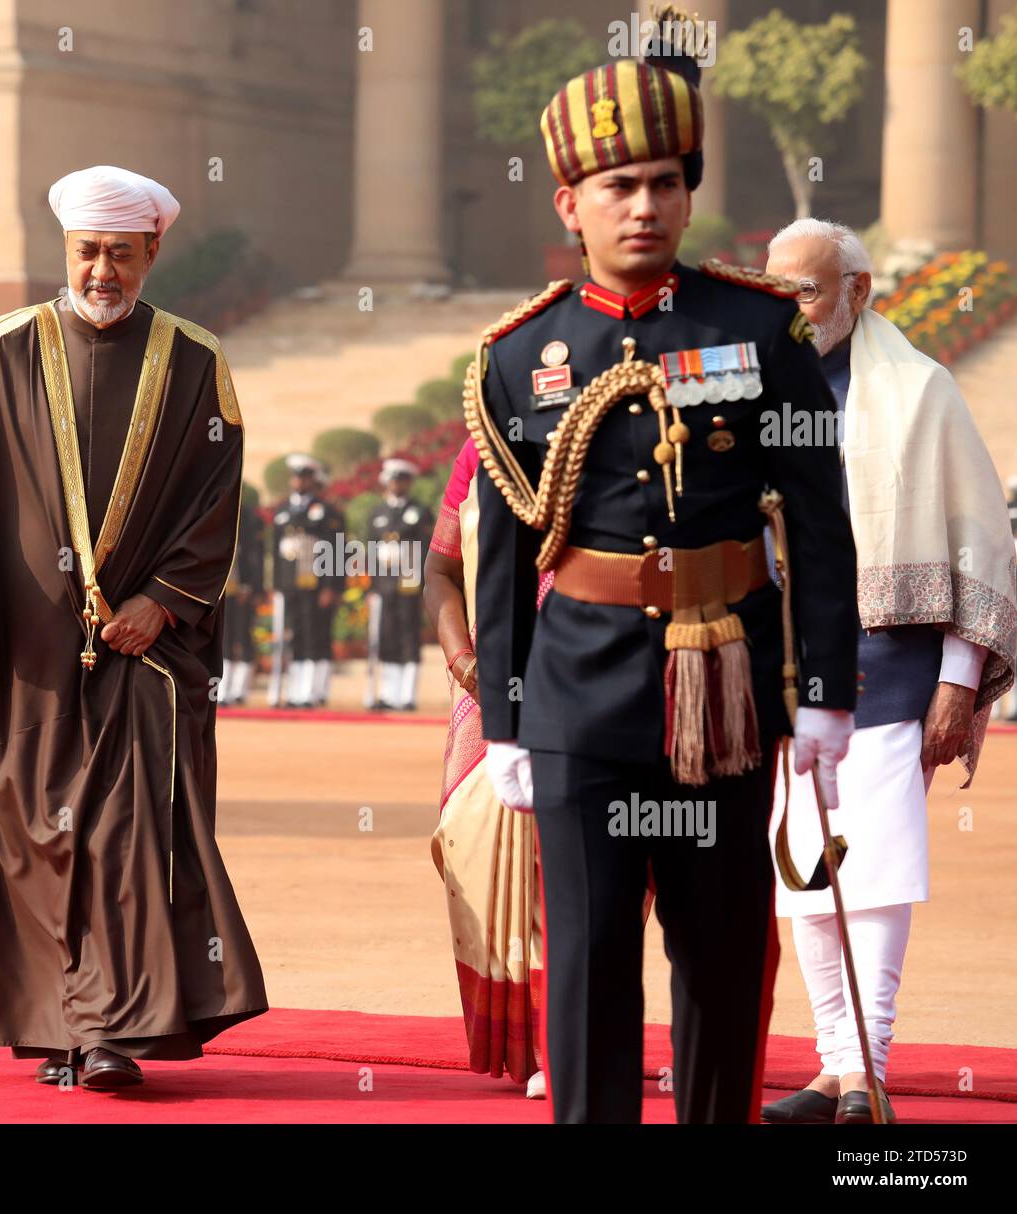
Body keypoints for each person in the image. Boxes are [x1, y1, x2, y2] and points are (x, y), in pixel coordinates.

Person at [469, 40, 860, 1124]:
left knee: (722, 949)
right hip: (578, 698)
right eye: (618, 187)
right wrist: (504, 719)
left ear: (688, 194)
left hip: (722, 686)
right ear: (570, 203)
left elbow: (821, 522)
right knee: (589, 959)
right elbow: (503, 555)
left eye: (664, 183)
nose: (643, 206)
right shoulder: (517, 356)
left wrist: (824, 687)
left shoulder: (758, 329)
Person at [0, 164, 267, 1090]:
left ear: (154, 250)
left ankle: (111, 1032)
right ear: (66, 251)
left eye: (120, 252)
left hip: (142, 651)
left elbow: (215, 502)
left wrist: (169, 600)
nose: (102, 270)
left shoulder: (195, 362)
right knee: (36, 828)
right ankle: (59, 1028)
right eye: (87, 252)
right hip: (21, 649)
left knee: (127, 830)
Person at [759, 220, 1017, 1124]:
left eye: (808, 290)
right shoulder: (752, 388)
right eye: (777, 289)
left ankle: (870, 1071)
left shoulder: (920, 391)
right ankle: (832, 1065)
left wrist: (958, 678)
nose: (791, 308)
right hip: (779, 679)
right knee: (803, 878)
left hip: (887, 673)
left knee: (870, 875)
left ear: (859, 293)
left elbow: (980, 542)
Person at [424, 438, 546, 1097]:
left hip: (588, 681)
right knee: (471, 846)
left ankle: (562, 1040)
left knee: (572, 862)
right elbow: (441, 572)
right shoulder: (482, 448)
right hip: (483, 691)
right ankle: (517, 1040)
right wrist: (460, 657)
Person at [268, 454, 342, 708]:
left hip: (316, 584)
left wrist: (332, 586)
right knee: (296, 635)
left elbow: (335, 550)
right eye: (296, 476)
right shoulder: (284, 510)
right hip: (290, 585)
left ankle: (311, 690)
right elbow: (276, 553)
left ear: (312, 480)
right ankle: (296, 690)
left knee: (314, 634)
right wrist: (276, 585)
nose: (299, 481)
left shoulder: (326, 511)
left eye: (304, 476)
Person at [366, 458, 432, 711]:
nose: (396, 485)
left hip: (409, 581)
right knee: (388, 636)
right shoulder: (378, 512)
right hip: (384, 583)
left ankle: (407, 694)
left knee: (408, 634)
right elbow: (372, 551)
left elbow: (426, 550)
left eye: (401, 480)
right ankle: (388, 692)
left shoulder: (419, 512)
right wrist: (372, 587)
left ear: (408, 483)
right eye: (393, 480)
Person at [219, 485, 264, 706]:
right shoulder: (216, 510)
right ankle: (223, 689)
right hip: (220, 589)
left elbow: (254, 555)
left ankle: (241, 689)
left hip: (242, 587)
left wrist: (251, 584)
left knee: (243, 636)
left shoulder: (248, 516)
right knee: (224, 638)